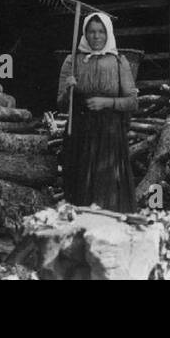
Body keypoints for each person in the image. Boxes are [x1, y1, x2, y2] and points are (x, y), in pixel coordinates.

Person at [56, 11, 137, 212]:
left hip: (109, 135)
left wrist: (106, 102)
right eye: (91, 31)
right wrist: (69, 89)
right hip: (80, 134)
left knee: (106, 190)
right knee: (79, 190)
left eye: (101, 31)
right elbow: (61, 104)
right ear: (85, 33)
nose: (96, 36)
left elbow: (132, 102)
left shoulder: (120, 62)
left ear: (108, 33)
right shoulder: (72, 61)